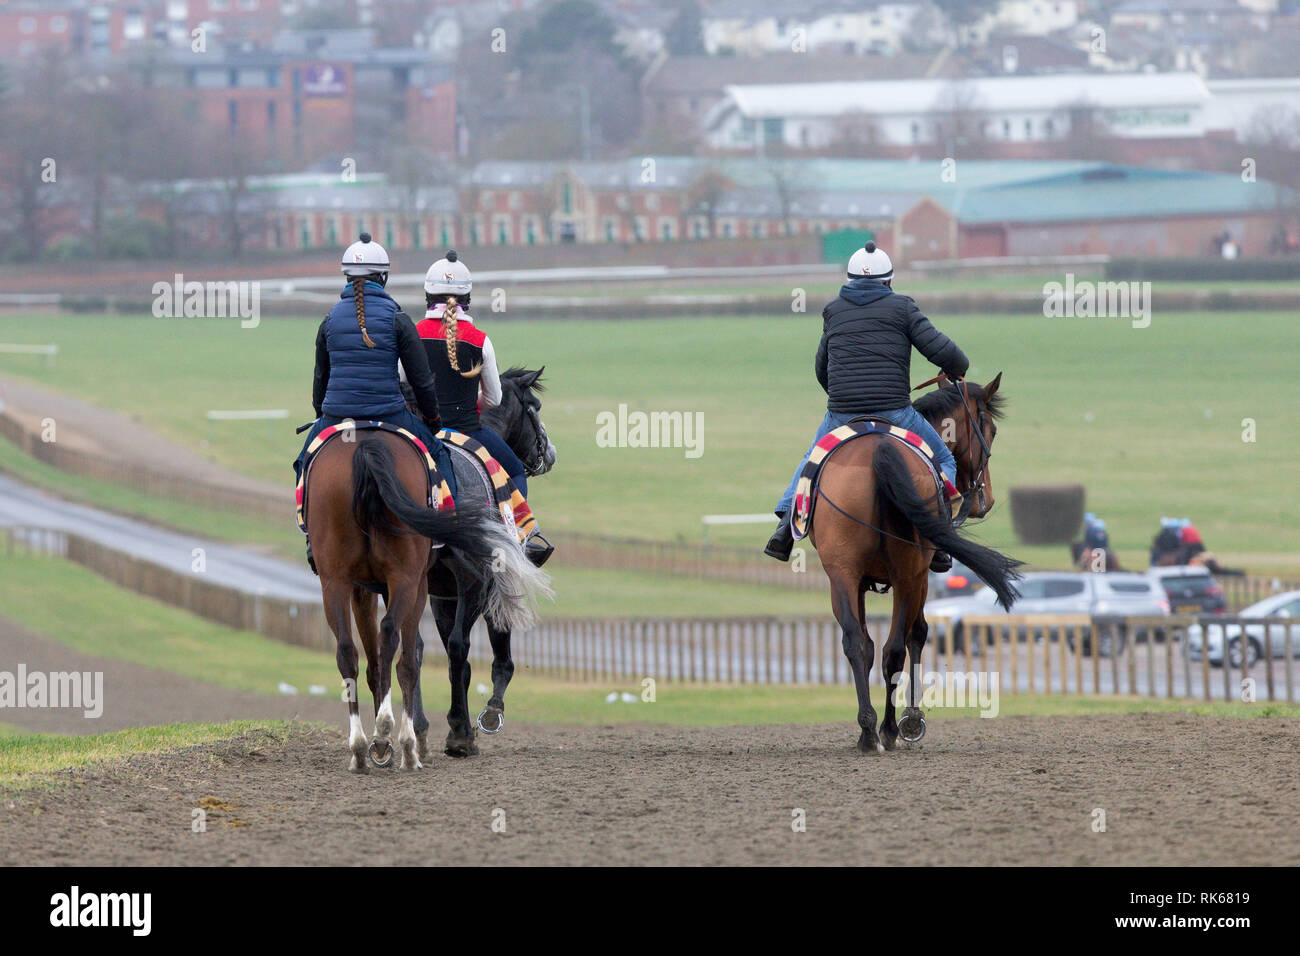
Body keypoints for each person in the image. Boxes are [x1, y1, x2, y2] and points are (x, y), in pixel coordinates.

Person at [764, 240, 968, 570]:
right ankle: (940, 540)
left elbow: (821, 369)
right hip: (896, 414)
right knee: (944, 457)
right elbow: (947, 354)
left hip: (842, 415)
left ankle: (784, 529)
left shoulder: (833, 310)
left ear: (848, 280)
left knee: (809, 463)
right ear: (888, 281)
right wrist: (958, 367)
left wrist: (844, 399)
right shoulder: (903, 308)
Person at [293, 233, 447, 571]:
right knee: (438, 454)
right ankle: (440, 528)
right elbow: (421, 380)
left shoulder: (330, 320)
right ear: (385, 277)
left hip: (337, 416)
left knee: (305, 460)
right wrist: (433, 421)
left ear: (347, 277)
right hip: (389, 414)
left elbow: (321, 378)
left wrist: (323, 414)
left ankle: (308, 529)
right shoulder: (399, 319)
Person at [415, 250, 551, 565]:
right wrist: (466, 406)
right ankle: (519, 538)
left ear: (428, 295)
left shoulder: (413, 334)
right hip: (468, 432)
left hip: (423, 431)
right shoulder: (479, 340)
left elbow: (402, 383)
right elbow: (494, 399)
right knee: (516, 468)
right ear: (467, 298)